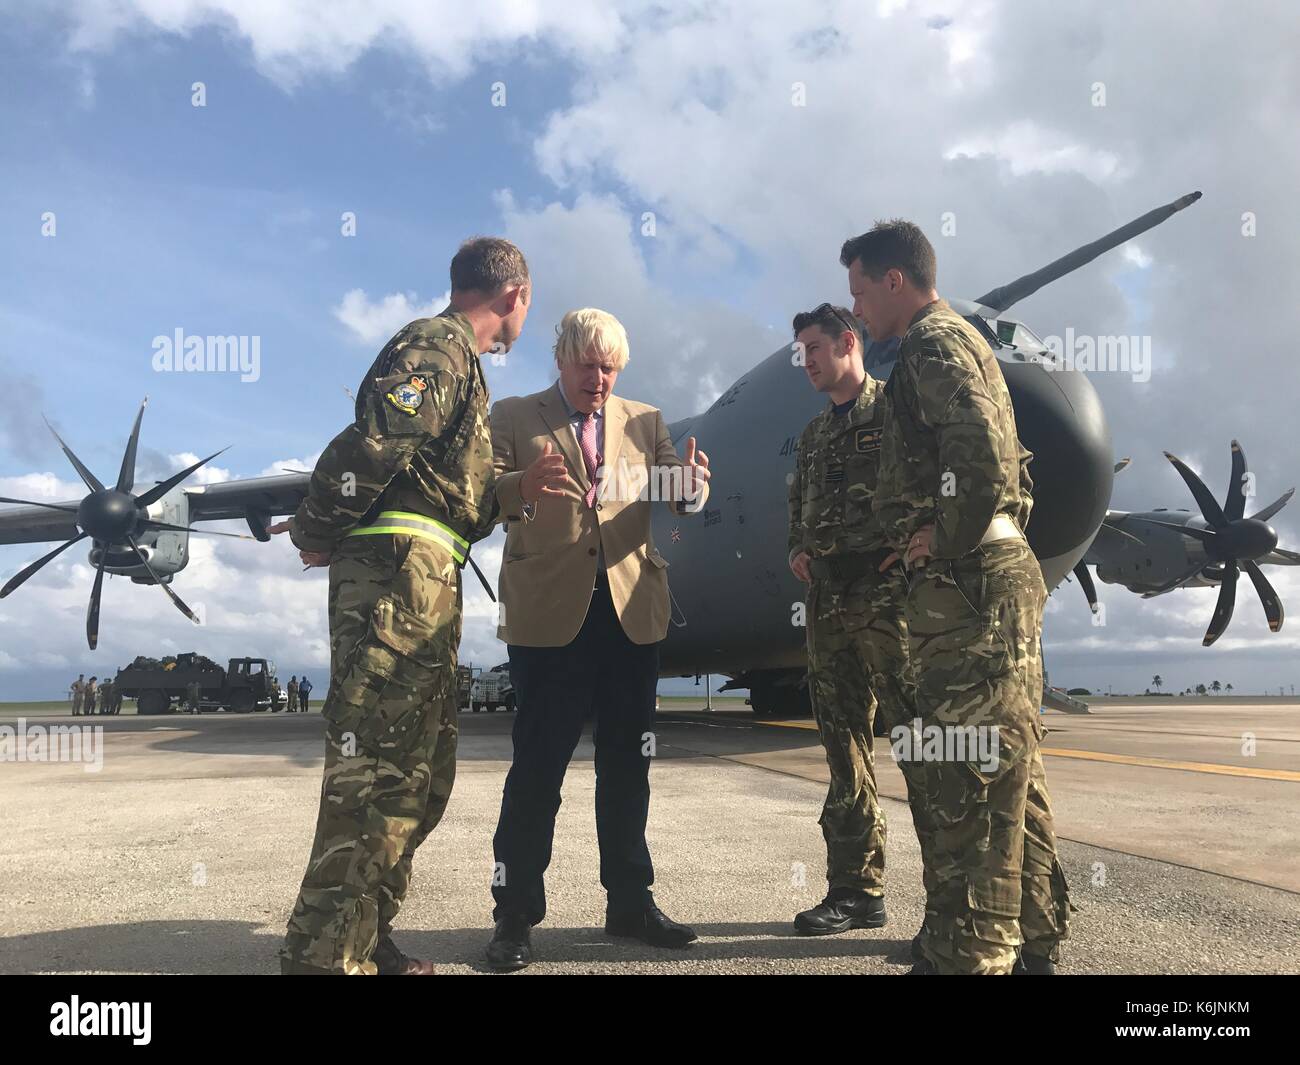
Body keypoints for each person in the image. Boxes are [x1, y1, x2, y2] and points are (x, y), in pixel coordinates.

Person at [271, 236, 530, 976]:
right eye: (526, 307)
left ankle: (365, 930)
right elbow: (374, 445)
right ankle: (323, 956)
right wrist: (319, 528)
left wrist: (518, 492)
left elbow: (463, 503)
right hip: (392, 577)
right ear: (514, 295)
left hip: (427, 576)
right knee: (373, 764)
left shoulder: (465, 373)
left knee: (417, 774)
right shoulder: (438, 347)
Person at [842, 219, 1070, 975]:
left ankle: (970, 953)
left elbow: (978, 442)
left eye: (861, 291)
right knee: (1010, 771)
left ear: (894, 281)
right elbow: (1015, 463)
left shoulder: (931, 343)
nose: (859, 309)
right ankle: (1033, 937)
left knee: (966, 776)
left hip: (966, 587)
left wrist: (946, 536)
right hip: (993, 576)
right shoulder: (965, 342)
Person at [483, 307, 712, 972]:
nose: (601, 378)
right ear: (561, 358)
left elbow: (674, 491)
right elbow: (480, 495)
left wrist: (693, 489)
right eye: (589, 365)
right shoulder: (515, 416)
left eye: (611, 367)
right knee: (536, 773)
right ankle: (514, 914)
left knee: (628, 768)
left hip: (630, 615)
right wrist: (517, 487)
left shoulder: (644, 420)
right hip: (548, 620)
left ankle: (630, 903)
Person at [786, 303, 931, 940]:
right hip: (828, 605)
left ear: (850, 342)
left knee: (919, 747)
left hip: (886, 598)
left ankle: (948, 905)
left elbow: (932, 486)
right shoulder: (815, 434)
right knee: (844, 752)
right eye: (801, 352)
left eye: (815, 347)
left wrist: (910, 543)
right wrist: (797, 548)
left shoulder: (895, 412)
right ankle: (855, 891)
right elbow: (799, 505)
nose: (808, 361)